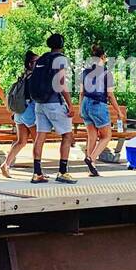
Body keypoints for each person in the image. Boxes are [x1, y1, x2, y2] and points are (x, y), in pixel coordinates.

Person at [29, 31, 77, 184]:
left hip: (39, 103)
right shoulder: (60, 59)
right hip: (54, 102)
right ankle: (62, 172)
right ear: (62, 45)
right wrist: (69, 104)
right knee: (67, 135)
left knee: (40, 136)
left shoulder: (42, 58)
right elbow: (60, 83)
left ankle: (37, 173)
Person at [79, 44, 123, 178]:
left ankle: (91, 167)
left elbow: (81, 93)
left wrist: (81, 108)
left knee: (92, 136)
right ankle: (91, 158)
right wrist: (118, 111)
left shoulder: (85, 72)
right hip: (98, 104)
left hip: (86, 103)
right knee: (106, 136)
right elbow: (110, 95)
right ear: (103, 57)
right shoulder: (106, 73)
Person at [0, 50, 37, 179]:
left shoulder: (22, 76)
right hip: (29, 111)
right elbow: (35, 96)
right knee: (37, 140)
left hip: (18, 112)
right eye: (36, 61)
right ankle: (37, 171)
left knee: (21, 141)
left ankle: (6, 164)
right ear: (30, 63)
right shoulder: (33, 77)